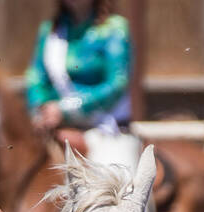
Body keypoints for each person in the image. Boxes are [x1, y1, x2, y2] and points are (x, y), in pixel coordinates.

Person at [25, 0, 135, 170]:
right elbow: (35, 79)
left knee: (119, 189)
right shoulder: (50, 31)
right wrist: (41, 109)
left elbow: (117, 84)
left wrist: (65, 110)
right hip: (57, 129)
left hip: (106, 130)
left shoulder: (114, 28)